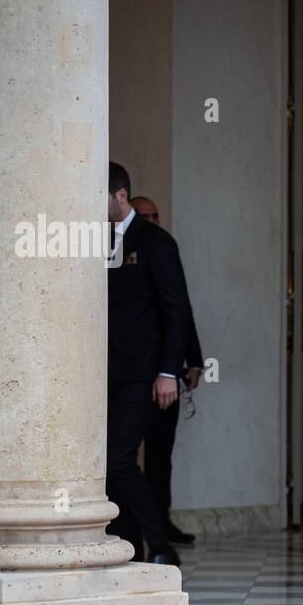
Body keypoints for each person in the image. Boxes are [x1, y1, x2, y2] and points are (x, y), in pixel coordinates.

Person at [106, 163, 193, 565]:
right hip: (108, 373)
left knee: (119, 459)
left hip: (144, 373)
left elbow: (176, 310)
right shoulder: (97, 241)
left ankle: (160, 545)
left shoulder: (155, 242)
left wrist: (168, 371)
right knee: (111, 466)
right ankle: (130, 547)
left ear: (120, 196)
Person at [130, 195, 204, 546]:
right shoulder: (124, 251)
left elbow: (180, 309)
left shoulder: (162, 248)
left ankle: (161, 521)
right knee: (123, 458)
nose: (152, 220)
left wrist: (193, 361)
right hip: (131, 375)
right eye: (145, 215)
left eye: (155, 215)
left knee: (161, 455)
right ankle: (136, 529)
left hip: (165, 375)